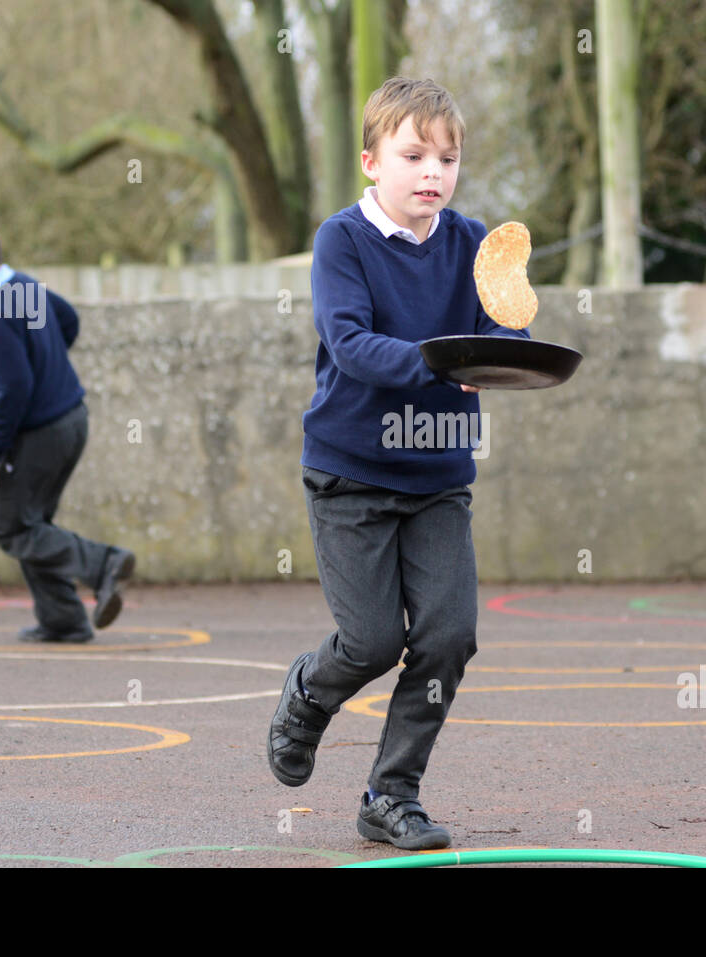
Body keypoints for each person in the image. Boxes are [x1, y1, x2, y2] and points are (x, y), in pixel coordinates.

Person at [266, 77, 529, 849]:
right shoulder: (340, 241)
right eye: (413, 154)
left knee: (448, 636)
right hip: (349, 474)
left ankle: (392, 793)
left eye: (447, 158)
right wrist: (449, 362)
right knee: (373, 640)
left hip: (439, 479)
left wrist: (510, 350)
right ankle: (310, 694)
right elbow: (351, 345)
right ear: (370, 162)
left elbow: (499, 336)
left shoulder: (473, 242)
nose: (432, 173)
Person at [0, 215, 134, 643]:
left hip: (38, 432)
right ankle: (62, 619)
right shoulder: (24, 287)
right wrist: (48, 366)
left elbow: (15, 387)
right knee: (33, 522)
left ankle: (103, 565)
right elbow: (68, 320)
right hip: (71, 420)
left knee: (11, 528)